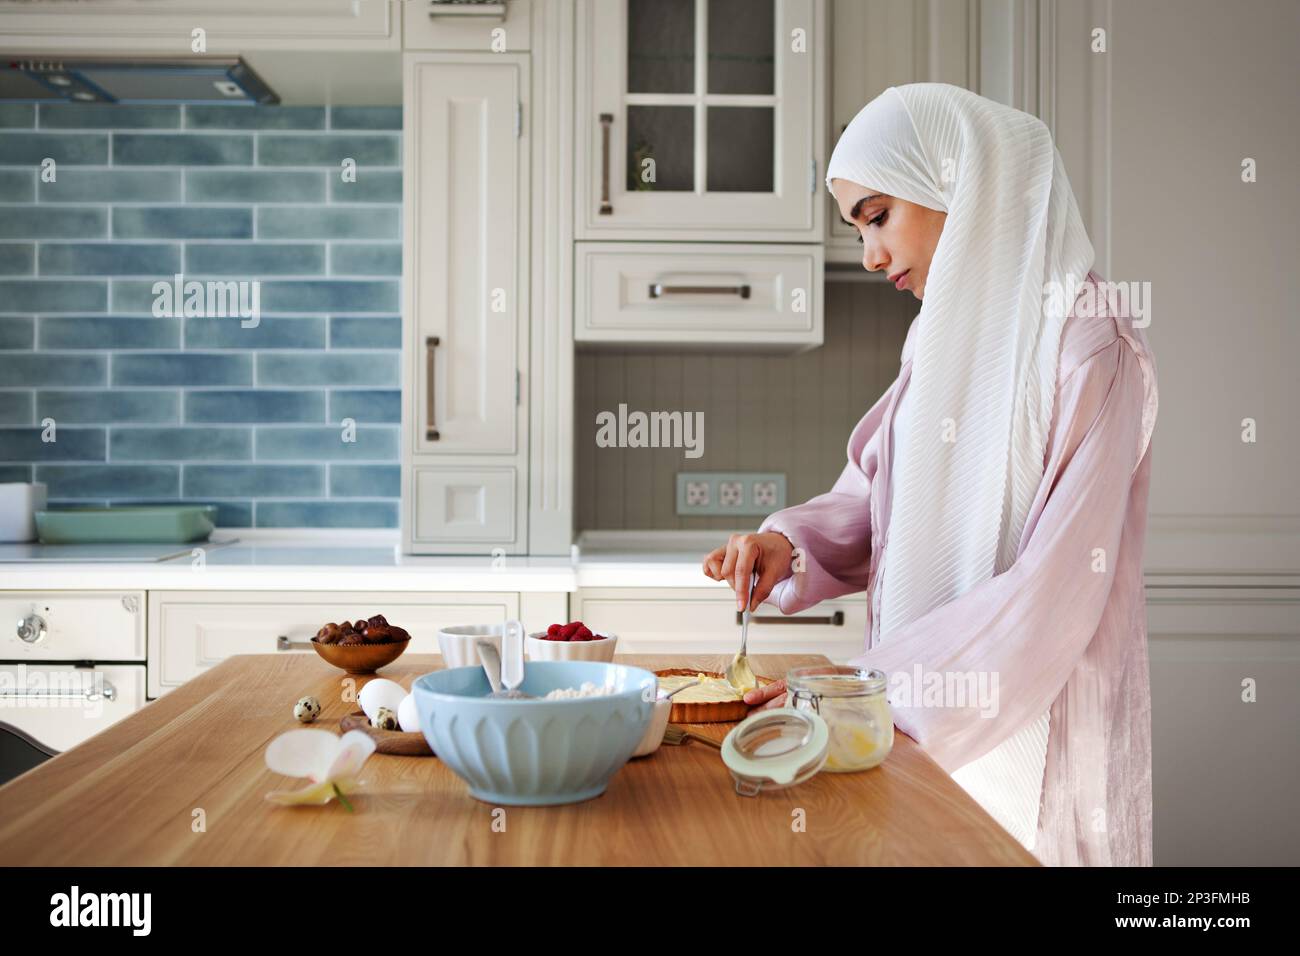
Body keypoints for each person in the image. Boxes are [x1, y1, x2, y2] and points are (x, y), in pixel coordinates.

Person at [702, 83, 1158, 867]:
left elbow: (1058, 588)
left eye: (878, 217)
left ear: (961, 180)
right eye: (858, 232)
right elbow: (881, 497)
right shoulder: (938, 340)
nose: (872, 254)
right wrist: (791, 547)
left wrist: (864, 687)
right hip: (920, 727)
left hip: (1036, 733)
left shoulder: (1089, 344)